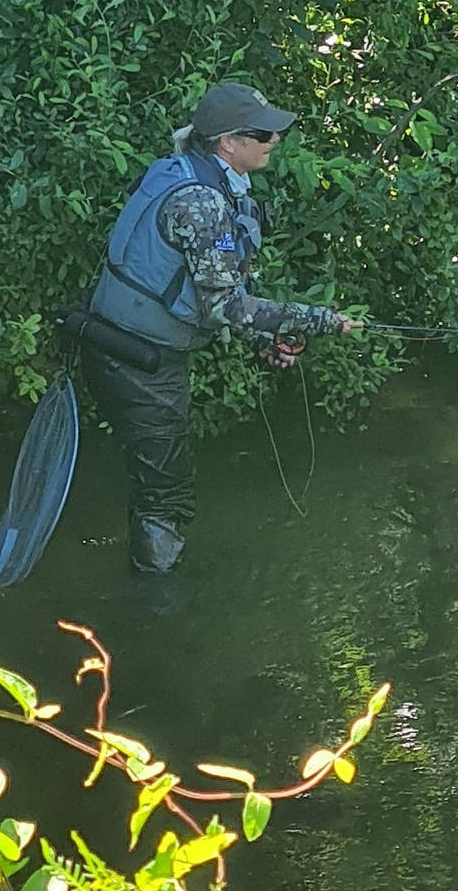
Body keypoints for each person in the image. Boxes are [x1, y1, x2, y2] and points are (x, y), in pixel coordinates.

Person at [84, 82, 354, 574]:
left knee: (159, 476)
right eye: (261, 133)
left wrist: (266, 338)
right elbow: (223, 308)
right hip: (138, 359)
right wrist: (318, 319)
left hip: (121, 345)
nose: (274, 140)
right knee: (164, 492)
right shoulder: (202, 202)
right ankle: (157, 603)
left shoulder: (187, 172)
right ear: (228, 142)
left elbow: (208, 292)